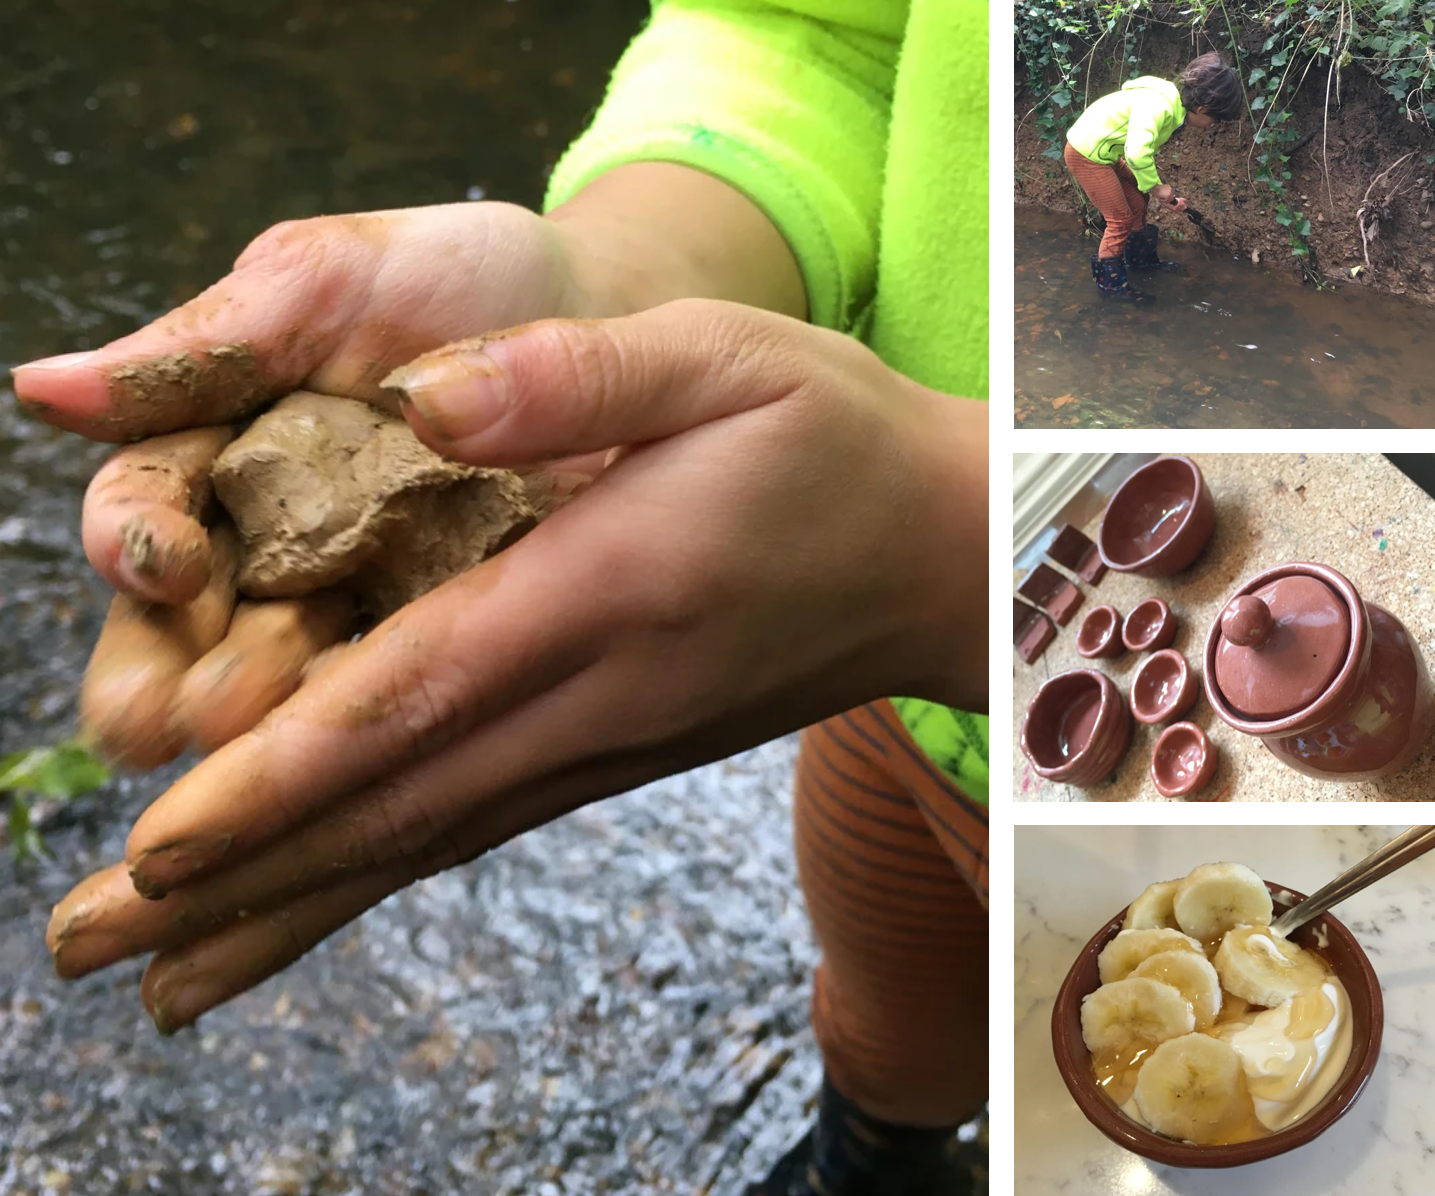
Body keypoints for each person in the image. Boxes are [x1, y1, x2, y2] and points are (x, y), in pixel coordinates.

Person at [13, 3, 988, 1194]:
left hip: (1137, 748)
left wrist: (947, 547)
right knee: (887, 1019)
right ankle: (876, 1153)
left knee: (1094, 1039)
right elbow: (813, 40)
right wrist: (615, 273)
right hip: (884, 719)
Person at [1064, 51, 1243, 302]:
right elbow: (1137, 153)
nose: (1212, 125)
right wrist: (1158, 188)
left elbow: (1135, 143)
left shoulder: (1169, 98)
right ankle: (1111, 288)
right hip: (1087, 154)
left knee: (1139, 199)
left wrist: (1158, 192)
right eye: (1214, 120)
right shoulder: (1159, 107)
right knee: (1119, 219)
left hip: (1104, 152)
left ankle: (1141, 262)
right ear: (1202, 109)